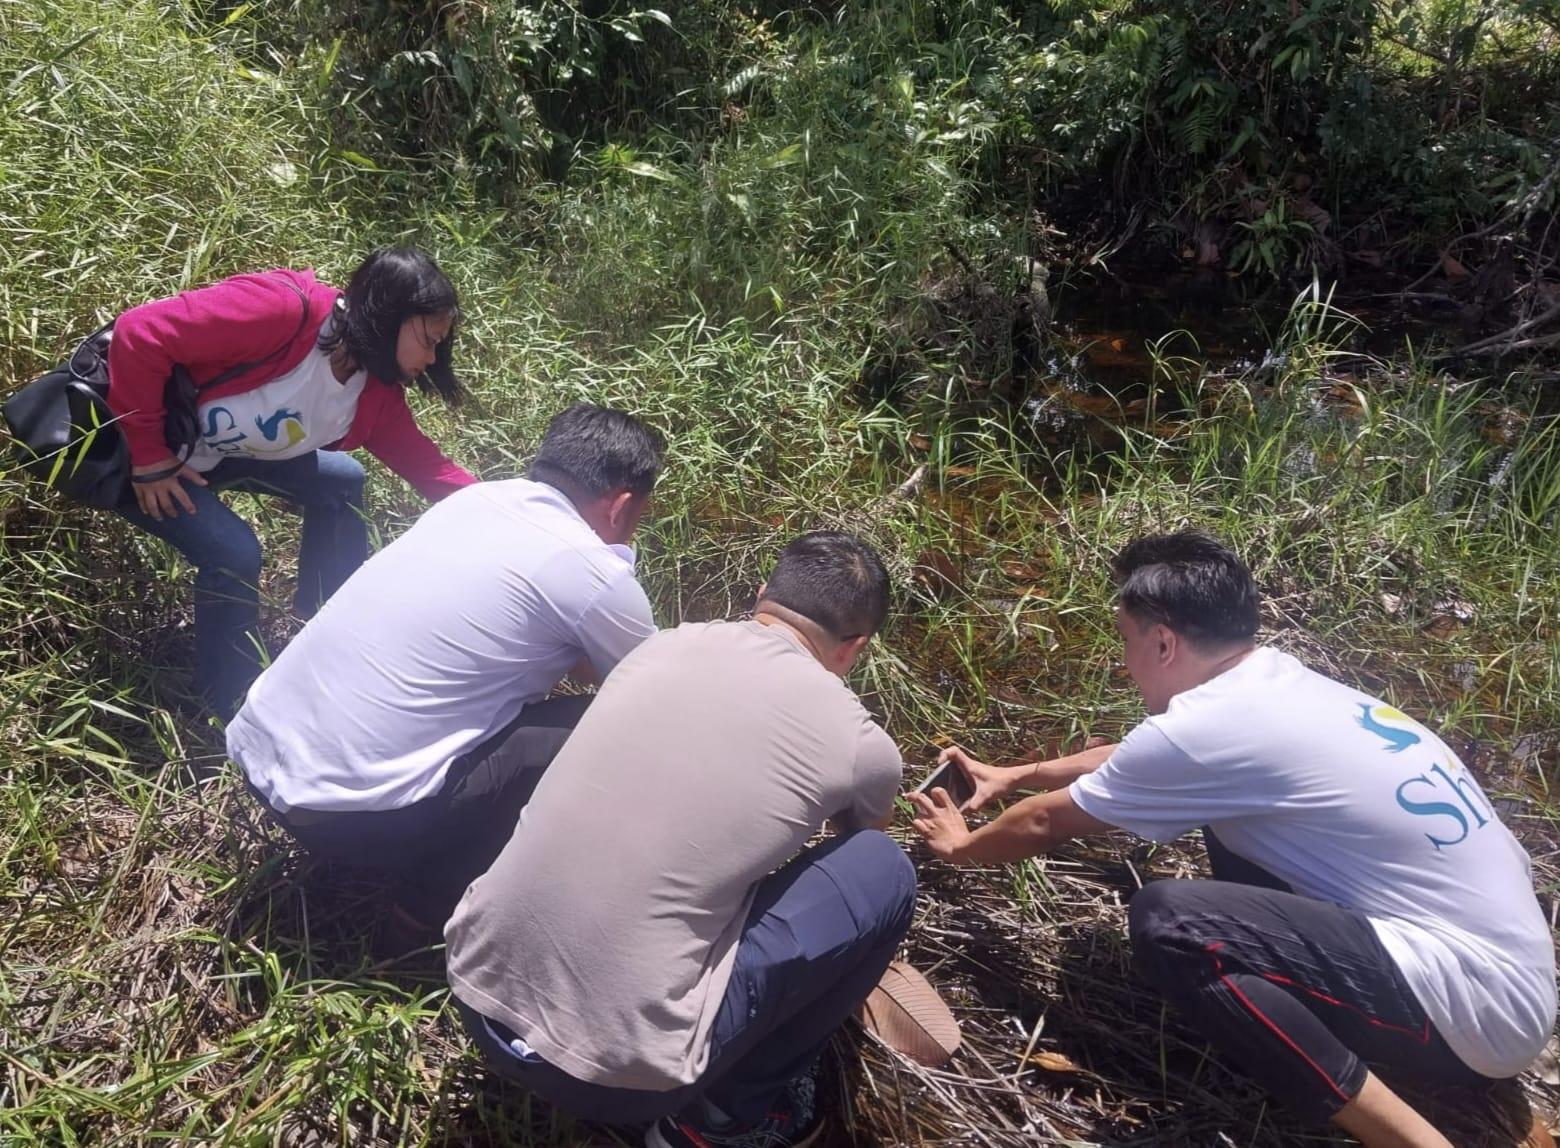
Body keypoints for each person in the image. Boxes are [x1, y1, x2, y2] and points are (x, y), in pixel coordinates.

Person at [910, 530, 1555, 1148]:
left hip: (1478, 1016)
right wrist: (1021, 774)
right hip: (1508, 972)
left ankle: (1410, 1139)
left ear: (1163, 643)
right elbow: (1149, 754)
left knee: (1170, 923)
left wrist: (961, 846)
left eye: (1126, 638)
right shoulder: (1274, 682)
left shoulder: (1210, 728)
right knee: (1229, 830)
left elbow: (1049, 821)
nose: (1123, 657)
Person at [445, 531, 917, 1148]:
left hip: (474, 991)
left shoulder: (659, 646)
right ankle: (723, 1120)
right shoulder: (863, 746)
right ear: (853, 648)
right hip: (616, 1077)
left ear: (761, 596)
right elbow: (856, 845)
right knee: (884, 870)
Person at [227, 403, 663, 917]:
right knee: (615, 726)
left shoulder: (476, 501)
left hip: (255, 757)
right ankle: (423, 915)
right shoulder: (593, 573)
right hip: (350, 819)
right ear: (623, 506)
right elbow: (657, 692)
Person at [106, 247, 476, 715]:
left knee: (342, 480)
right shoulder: (283, 312)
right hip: (134, 455)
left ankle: (323, 630)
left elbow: (431, 469)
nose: (433, 355)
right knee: (234, 551)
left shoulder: (373, 390)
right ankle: (231, 700)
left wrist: (519, 513)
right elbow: (140, 330)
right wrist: (149, 456)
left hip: (217, 453)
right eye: (430, 339)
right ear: (391, 316)